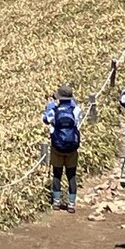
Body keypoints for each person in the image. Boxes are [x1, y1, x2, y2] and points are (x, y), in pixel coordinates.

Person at [42, 84, 84, 212]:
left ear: (59, 98)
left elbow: (45, 119)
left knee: (57, 174)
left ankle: (56, 202)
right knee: (71, 175)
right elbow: (78, 120)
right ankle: (71, 204)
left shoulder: (54, 110)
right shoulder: (76, 110)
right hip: (72, 147)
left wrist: (50, 106)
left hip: (57, 147)